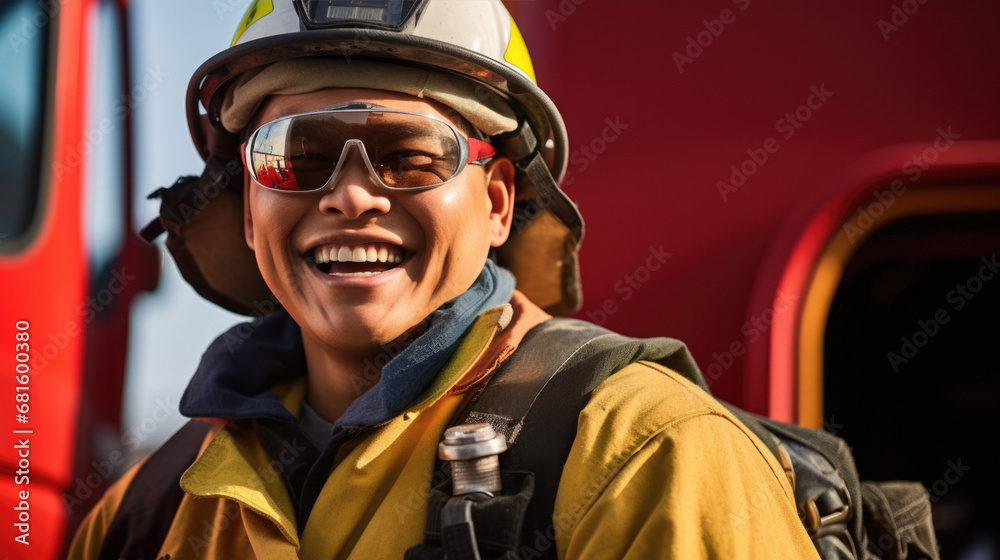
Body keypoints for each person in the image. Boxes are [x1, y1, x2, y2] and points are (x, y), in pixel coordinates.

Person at [68, 1, 820, 558]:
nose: (352, 195)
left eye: (410, 155)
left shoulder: (650, 458)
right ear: (247, 208)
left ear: (497, 206)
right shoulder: (148, 512)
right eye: (296, 155)